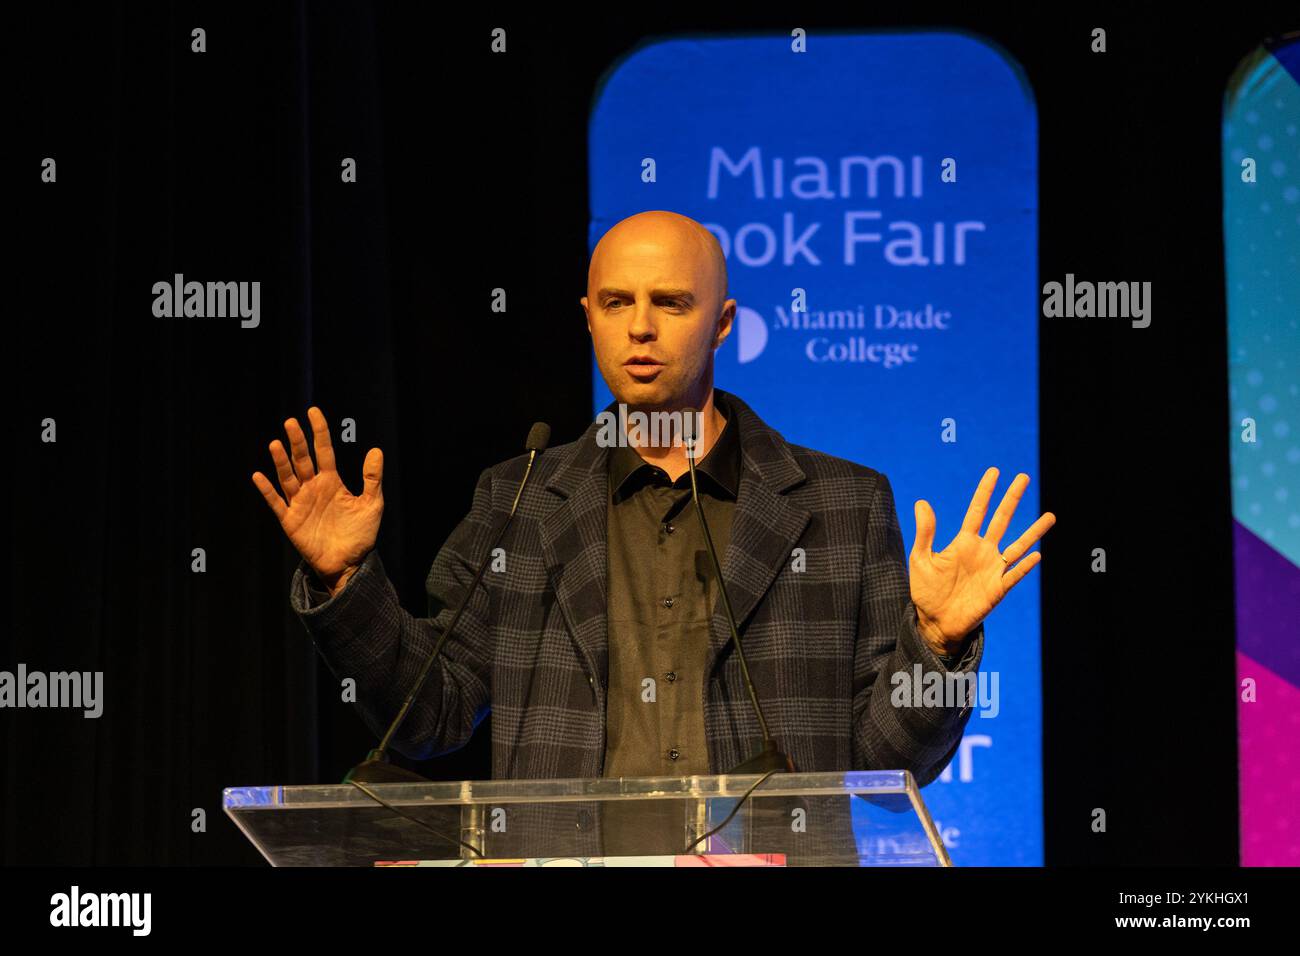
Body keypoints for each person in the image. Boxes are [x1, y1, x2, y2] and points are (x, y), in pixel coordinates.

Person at [251, 209, 1054, 858]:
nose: (640, 328)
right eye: (616, 303)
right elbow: (433, 714)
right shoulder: (521, 498)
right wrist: (346, 584)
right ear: (588, 319)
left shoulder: (842, 506)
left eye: (671, 303)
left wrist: (939, 645)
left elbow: (888, 763)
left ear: (723, 323)